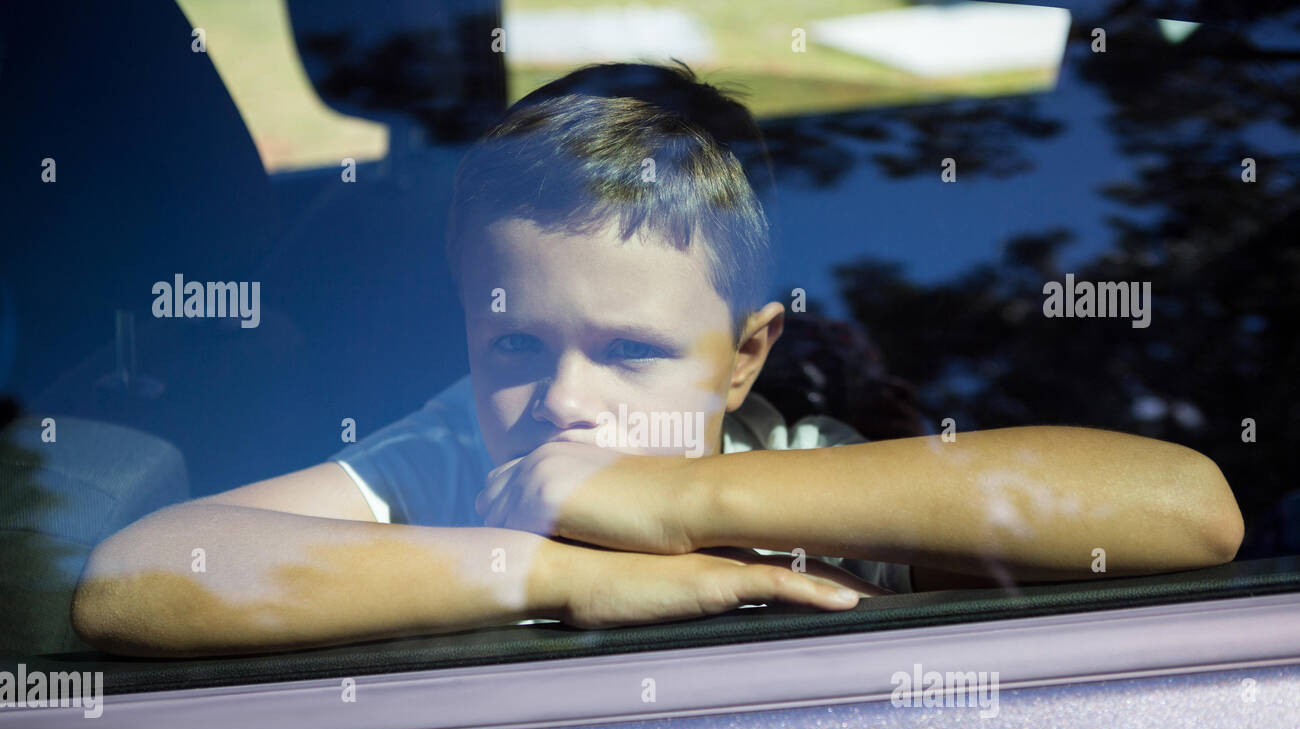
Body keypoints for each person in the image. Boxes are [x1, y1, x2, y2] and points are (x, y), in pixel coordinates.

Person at [70, 63, 1244, 658]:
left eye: (631, 350)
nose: (563, 400)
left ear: (744, 360)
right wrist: (540, 573)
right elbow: (136, 575)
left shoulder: (805, 478)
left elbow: (1189, 514)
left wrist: (683, 500)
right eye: (515, 342)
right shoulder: (445, 457)